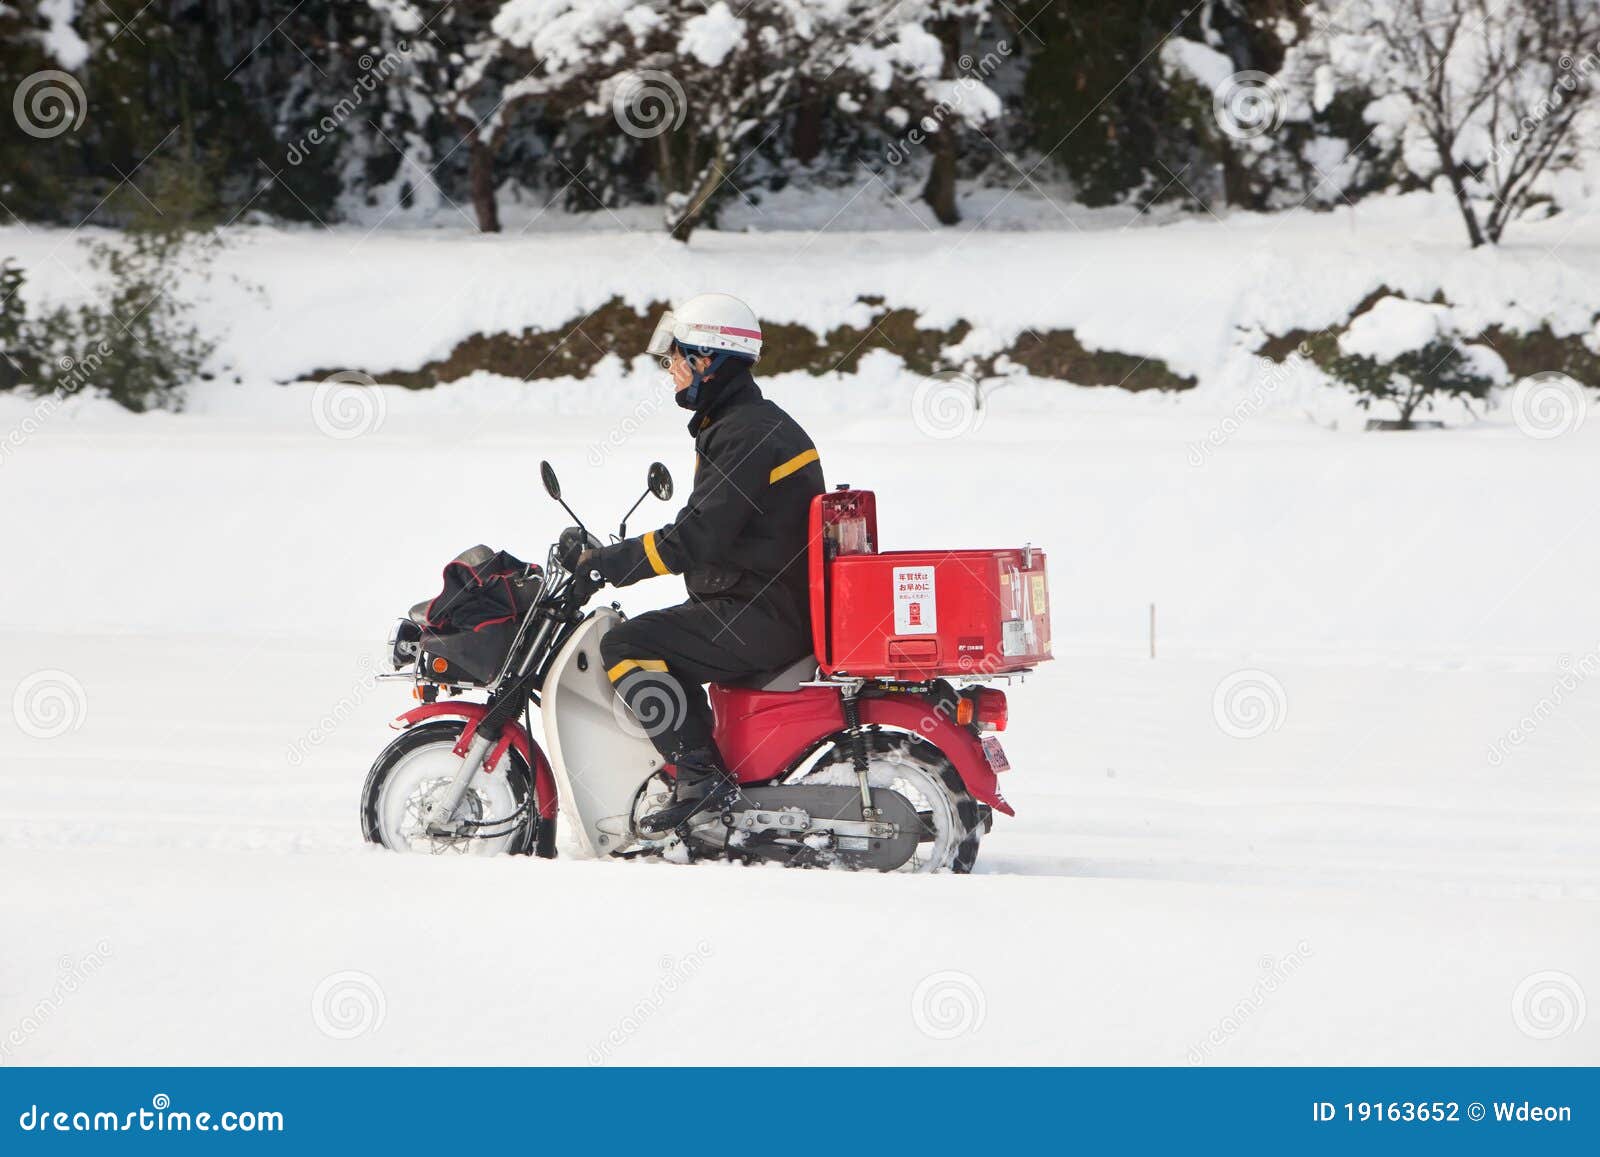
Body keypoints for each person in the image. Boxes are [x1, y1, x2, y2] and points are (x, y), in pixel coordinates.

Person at [570, 293, 825, 834]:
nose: (672, 372)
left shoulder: (745, 433)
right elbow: (714, 531)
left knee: (626, 645)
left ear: (709, 361)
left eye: (677, 359)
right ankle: (695, 771)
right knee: (664, 637)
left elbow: (697, 538)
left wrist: (607, 564)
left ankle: (699, 777)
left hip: (763, 614)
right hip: (764, 603)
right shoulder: (744, 423)